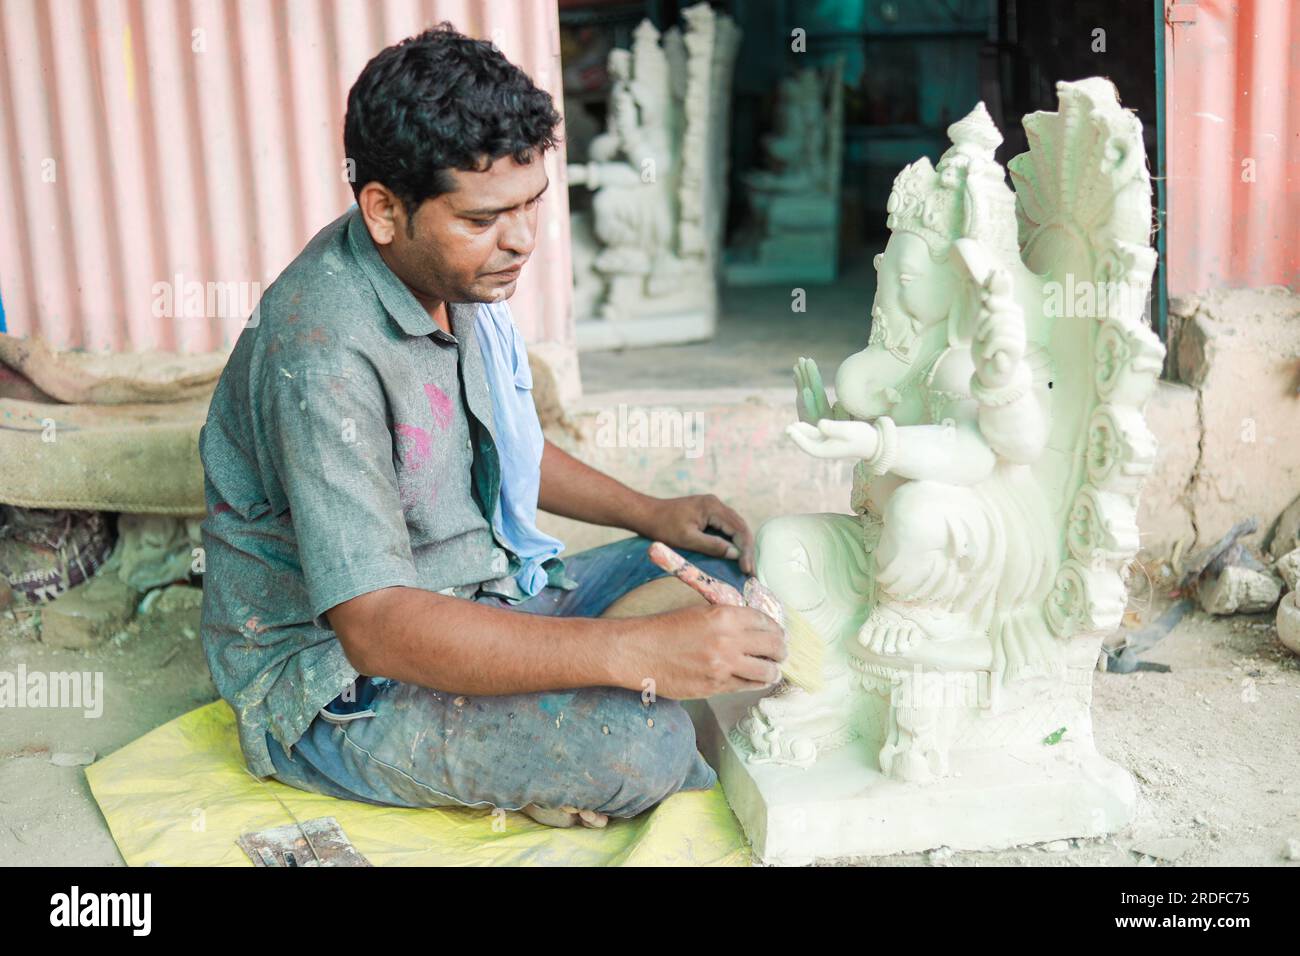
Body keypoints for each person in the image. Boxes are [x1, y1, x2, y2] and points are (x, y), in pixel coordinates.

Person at [198, 23, 784, 829]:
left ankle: (554, 709)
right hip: (345, 677)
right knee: (641, 744)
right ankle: (557, 726)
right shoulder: (322, 348)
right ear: (382, 209)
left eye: (532, 205)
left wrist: (651, 513)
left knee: (715, 562)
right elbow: (373, 627)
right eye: (483, 219)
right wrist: (630, 654)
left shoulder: (455, 276)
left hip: (480, 592)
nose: (521, 242)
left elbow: (500, 447)